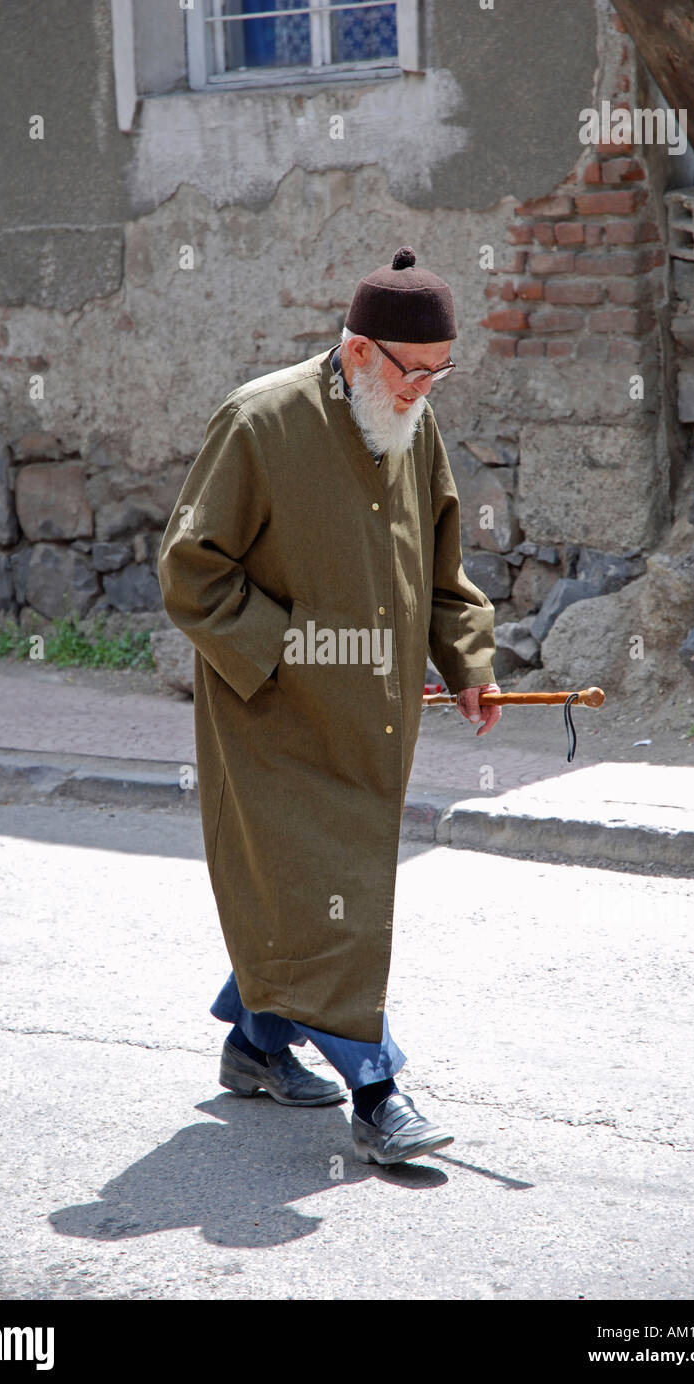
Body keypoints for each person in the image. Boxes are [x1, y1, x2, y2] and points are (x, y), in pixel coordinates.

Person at [157, 246, 501, 1165]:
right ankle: (380, 1094)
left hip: (371, 725)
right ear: (356, 353)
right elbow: (191, 574)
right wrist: (293, 657)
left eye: (441, 373)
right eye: (412, 371)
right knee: (326, 902)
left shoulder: (410, 425)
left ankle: (257, 1046)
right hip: (271, 722)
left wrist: (468, 664)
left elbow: (441, 570)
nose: (426, 391)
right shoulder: (260, 421)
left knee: (302, 903)